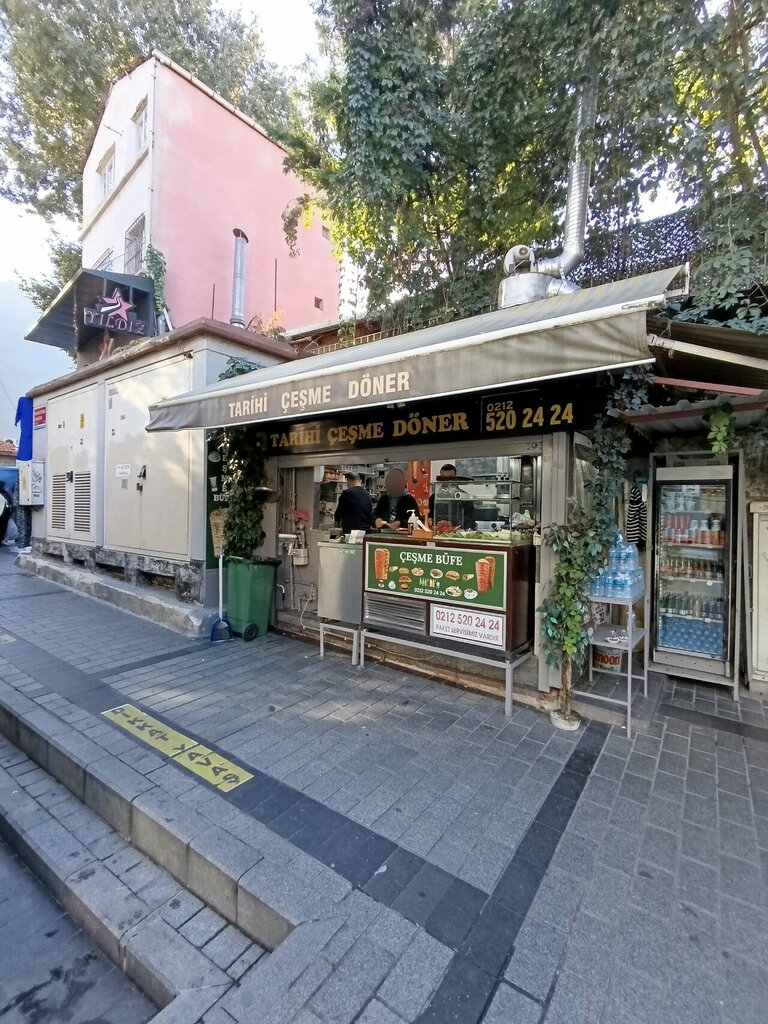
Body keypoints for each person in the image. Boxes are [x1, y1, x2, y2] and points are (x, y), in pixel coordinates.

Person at [428, 464, 476, 528]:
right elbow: (431, 517)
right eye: (444, 479)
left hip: (459, 534)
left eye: (450, 478)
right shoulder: (433, 498)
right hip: (439, 534)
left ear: (455, 478)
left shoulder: (464, 497)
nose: (447, 481)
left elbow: (470, 521)